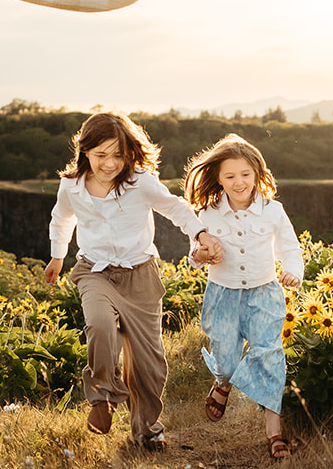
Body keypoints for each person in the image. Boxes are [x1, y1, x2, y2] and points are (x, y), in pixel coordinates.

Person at [45, 112, 222, 451]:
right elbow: (61, 217)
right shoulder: (72, 186)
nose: (109, 164)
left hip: (140, 274)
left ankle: (146, 431)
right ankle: (103, 397)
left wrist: (199, 233)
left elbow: (176, 209)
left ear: (128, 153)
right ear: (84, 152)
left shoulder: (140, 182)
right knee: (98, 325)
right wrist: (57, 255)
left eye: (117, 155)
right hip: (95, 270)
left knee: (148, 364)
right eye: (100, 155)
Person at [185, 135, 304, 461]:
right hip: (223, 294)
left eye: (245, 174)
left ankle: (274, 431)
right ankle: (223, 381)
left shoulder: (273, 211)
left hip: (265, 293)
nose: (239, 183)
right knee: (225, 357)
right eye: (230, 176)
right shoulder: (207, 214)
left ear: (257, 174)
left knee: (269, 355)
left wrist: (293, 270)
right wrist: (201, 254)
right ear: (218, 179)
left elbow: (291, 249)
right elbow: (193, 254)